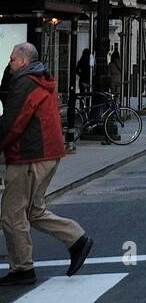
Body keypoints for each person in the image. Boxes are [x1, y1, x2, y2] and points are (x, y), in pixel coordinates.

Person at [0, 42, 93, 286]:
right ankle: (77, 238)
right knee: (33, 211)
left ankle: (22, 269)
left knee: (12, 214)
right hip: (46, 153)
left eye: (11, 60)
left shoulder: (25, 83)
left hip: (29, 156)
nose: (9, 64)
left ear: (22, 62)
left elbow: (13, 122)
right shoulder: (39, 78)